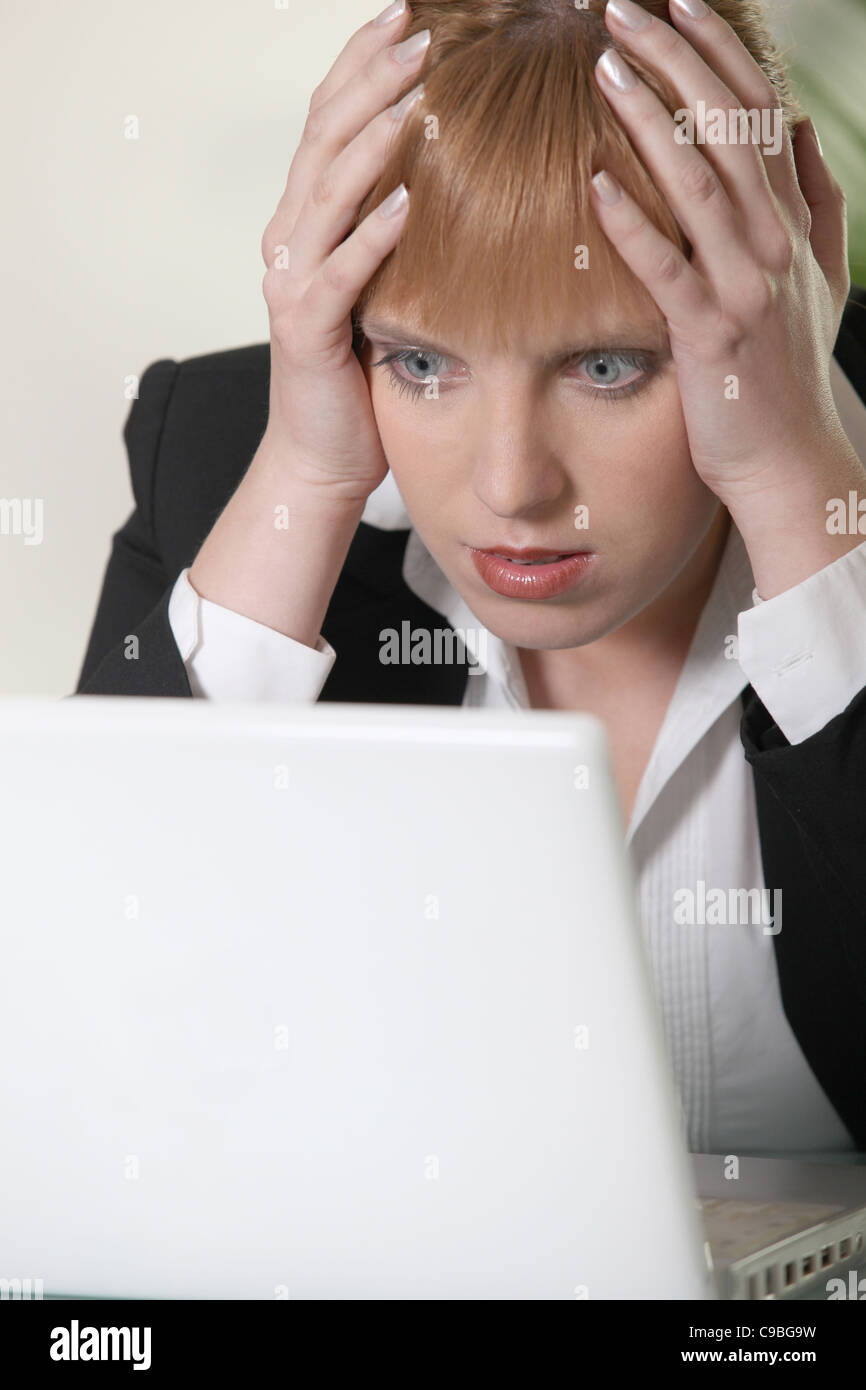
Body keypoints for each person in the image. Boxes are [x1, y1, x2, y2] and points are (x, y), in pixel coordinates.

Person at [76, 0, 866, 1155]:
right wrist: (304, 474)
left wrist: (796, 481)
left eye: (607, 365)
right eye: (420, 361)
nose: (509, 485)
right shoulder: (219, 458)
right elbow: (80, 1021)